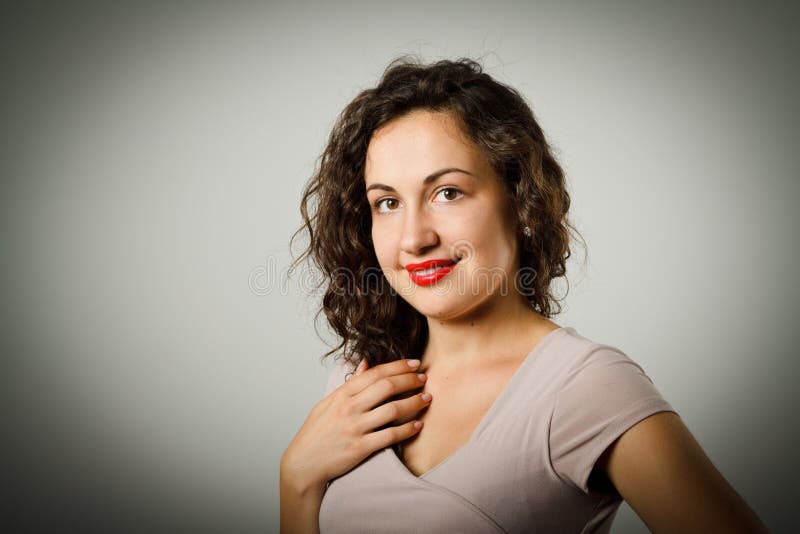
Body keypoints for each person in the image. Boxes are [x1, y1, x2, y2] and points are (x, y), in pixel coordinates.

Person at [280, 57, 766, 533]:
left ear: (522, 201)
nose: (413, 238)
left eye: (447, 192)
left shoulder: (586, 388)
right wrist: (297, 480)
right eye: (387, 203)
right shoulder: (358, 380)